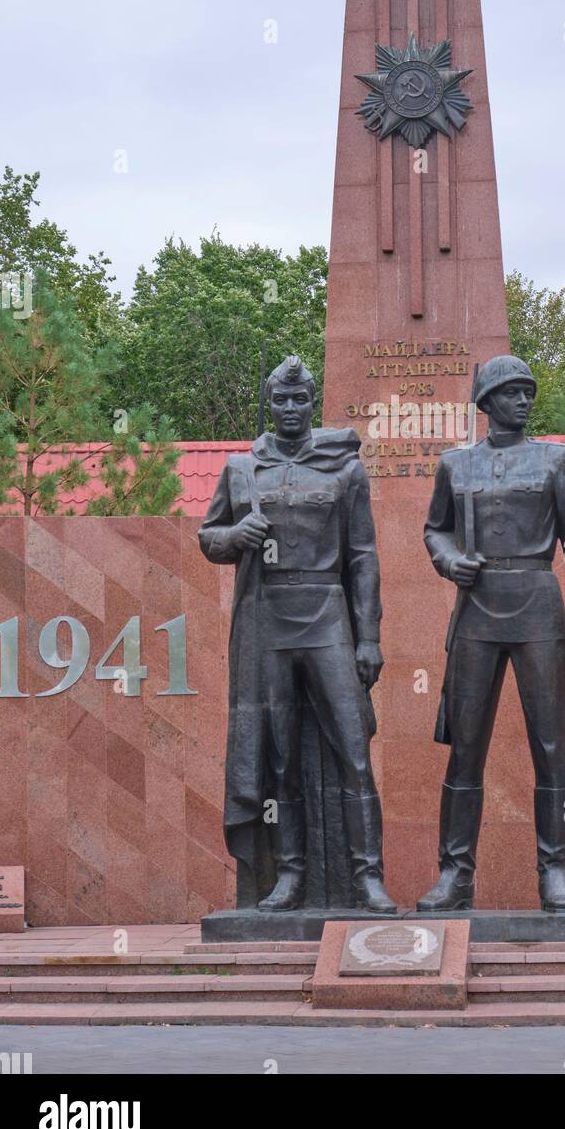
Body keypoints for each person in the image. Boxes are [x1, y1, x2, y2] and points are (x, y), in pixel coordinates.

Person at [198, 354, 395, 913]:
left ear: (314, 403)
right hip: (268, 618)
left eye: (300, 399)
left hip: (327, 611)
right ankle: (290, 874)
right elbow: (209, 538)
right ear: (269, 403)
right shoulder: (242, 470)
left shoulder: (343, 469)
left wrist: (369, 637)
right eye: (280, 400)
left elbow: (363, 558)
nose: (290, 408)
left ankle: (368, 876)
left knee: (354, 749)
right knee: (280, 757)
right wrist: (238, 533)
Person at [417, 355, 565, 912]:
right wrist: (450, 560)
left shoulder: (555, 461)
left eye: (528, 391)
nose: (524, 399)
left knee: (550, 747)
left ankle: (555, 871)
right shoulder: (455, 465)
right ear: (486, 402)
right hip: (477, 608)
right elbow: (435, 530)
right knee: (466, 749)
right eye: (511, 392)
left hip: (536, 604)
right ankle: (455, 874)